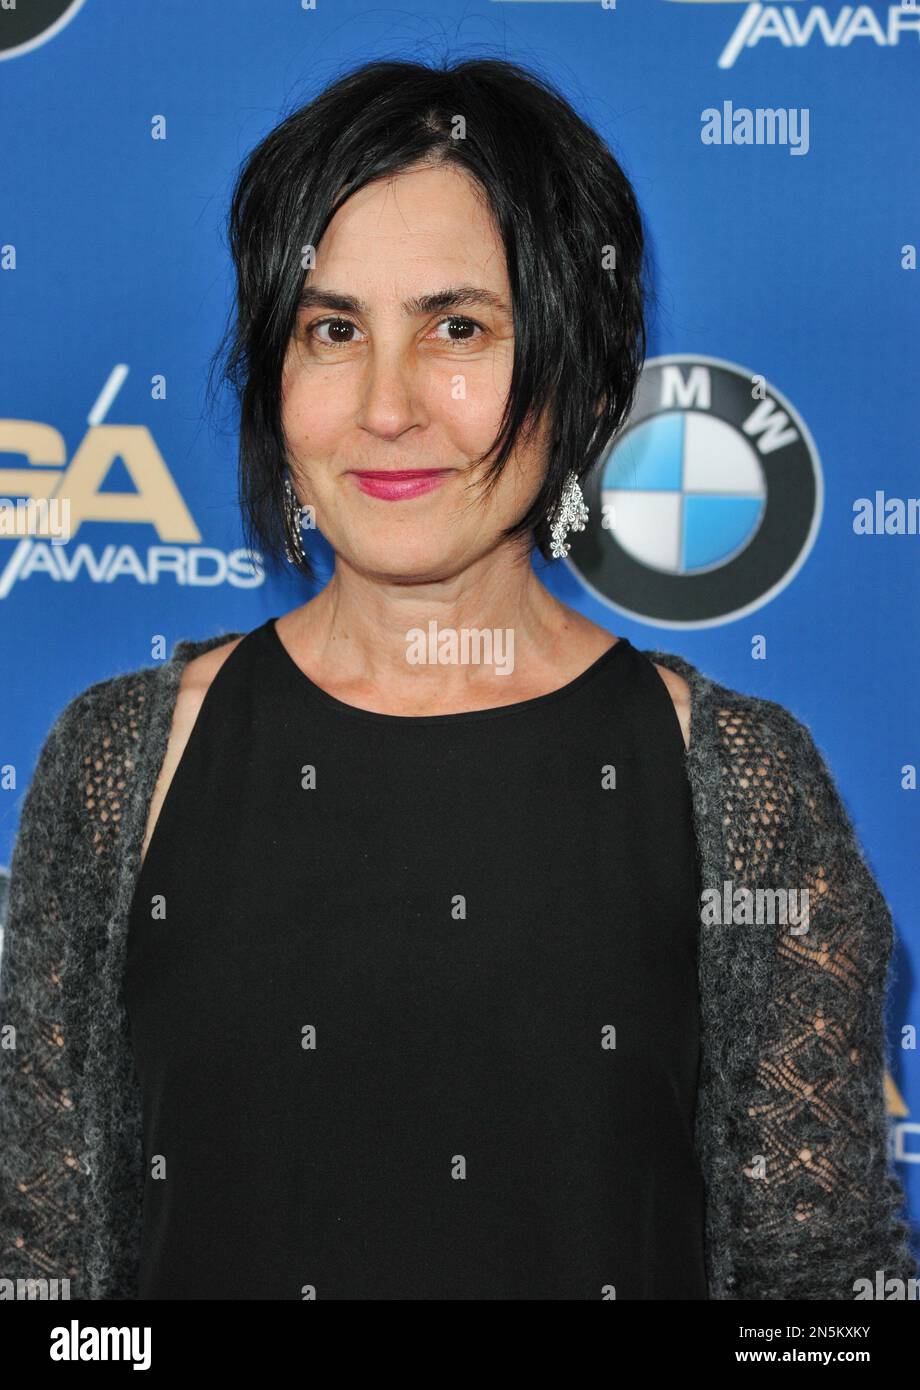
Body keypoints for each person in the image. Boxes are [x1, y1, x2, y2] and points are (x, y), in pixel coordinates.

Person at [1, 57, 915, 1301]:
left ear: (587, 379)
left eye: (456, 329)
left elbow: (812, 1296)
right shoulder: (120, 764)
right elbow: (45, 1280)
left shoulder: (739, 786)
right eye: (332, 330)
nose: (386, 407)